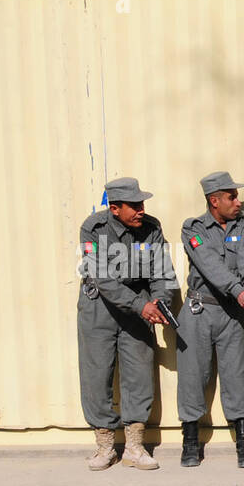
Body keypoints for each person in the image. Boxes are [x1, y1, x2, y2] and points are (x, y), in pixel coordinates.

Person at [77, 176, 176, 470]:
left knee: (139, 374)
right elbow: (102, 277)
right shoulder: (93, 228)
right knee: (97, 375)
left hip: (140, 306)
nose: (141, 210)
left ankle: (134, 447)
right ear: (115, 208)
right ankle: (105, 447)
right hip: (100, 308)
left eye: (142, 203)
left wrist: (160, 302)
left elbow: (162, 270)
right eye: (134, 205)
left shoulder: (152, 227)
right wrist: (141, 305)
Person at [177, 171, 244, 468]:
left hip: (233, 312)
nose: (238, 202)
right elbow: (211, 266)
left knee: (237, 377)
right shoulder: (193, 229)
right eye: (231, 196)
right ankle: (190, 442)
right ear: (214, 201)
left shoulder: (243, 225)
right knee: (192, 376)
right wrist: (239, 290)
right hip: (199, 310)